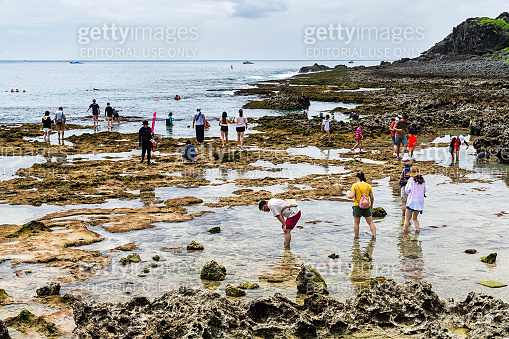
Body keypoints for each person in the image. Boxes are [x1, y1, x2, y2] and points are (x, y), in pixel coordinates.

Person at [346, 172, 376, 238]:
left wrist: (347, 195)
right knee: (370, 222)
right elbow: (372, 198)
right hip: (366, 206)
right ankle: (374, 236)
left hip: (357, 206)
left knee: (356, 223)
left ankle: (356, 237)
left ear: (357, 178)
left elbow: (352, 196)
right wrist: (371, 205)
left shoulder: (355, 185)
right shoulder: (368, 186)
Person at [403, 167, 426, 232]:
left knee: (407, 219)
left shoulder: (411, 180)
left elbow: (407, 190)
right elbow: (424, 190)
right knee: (415, 218)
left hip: (411, 201)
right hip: (419, 203)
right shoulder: (423, 180)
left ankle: (404, 233)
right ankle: (417, 232)